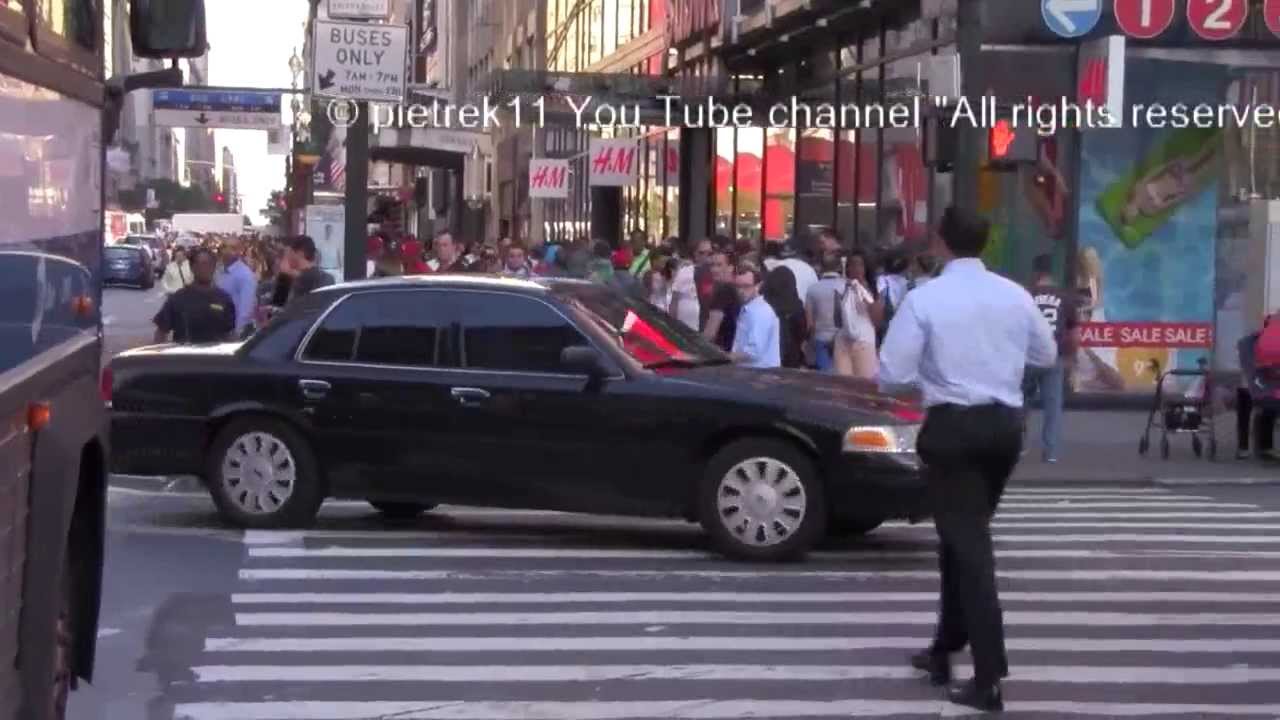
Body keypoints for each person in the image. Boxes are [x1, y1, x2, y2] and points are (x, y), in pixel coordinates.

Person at [879, 206, 1057, 712]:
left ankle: (987, 676)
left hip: (953, 428)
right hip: (1003, 429)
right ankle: (942, 650)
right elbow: (1045, 357)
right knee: (960, 538)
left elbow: (891, 372)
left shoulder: (926, 298)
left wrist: (936, 376)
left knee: (969, 546)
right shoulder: (1014, 294)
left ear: (940, 242)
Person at [1025, 254, 1079, 464]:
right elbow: (1074, 334)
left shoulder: (1027, 295)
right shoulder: (1065, 297)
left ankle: (1018, 446)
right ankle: (1051, 452)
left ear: (1036, 273)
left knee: (1020, 403)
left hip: (1028, 356)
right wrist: (1071, 357)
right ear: (1051, 272)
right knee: (1053, 407)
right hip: (1053, 356)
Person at [153, 247, 236, 344]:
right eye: (200, 264)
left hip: (214, 357)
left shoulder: (224, 299)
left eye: (208, 264)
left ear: (214, 267)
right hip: (184, 356)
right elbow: (161, 332)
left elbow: (229, 334)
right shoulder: (178, 298)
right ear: (192, 267)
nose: (205, 268)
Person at [835, 249, 882, 379]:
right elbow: (837, 320)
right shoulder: (841, 287)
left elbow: (877, 321)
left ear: (866, 267)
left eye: (860, 264)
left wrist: (864, 292)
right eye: (852, 264)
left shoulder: (873, 290)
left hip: (864, 342)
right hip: (843, 341)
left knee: (863, 386)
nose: (855, 269)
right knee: (843, 386)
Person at [730, 263, 781, 369]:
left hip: (759, 375)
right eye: (737, 286)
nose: (741, 291)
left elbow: (754, 351)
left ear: (758, 285)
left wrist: (727, 357)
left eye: (746, 286)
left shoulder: (760, 312)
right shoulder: (749, 308)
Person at [805, 251, 846, 372]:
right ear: (839, 267)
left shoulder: (812, 289)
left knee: (824, 377)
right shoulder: (846, 286)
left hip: (820, 337)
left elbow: (809, 322)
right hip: (842, 338)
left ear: (821, 267)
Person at [763, 265, 807, 369]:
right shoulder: (795, 305)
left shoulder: (764, 306)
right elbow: (801, 330)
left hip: (768, 356)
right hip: (791, 355)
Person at [215, 238, 258, 338]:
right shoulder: (218, 271)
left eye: (233, 248)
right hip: (218, 328)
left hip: (233, 332)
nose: (228, 251)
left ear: (239, 251)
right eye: (225, 247)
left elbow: (246, 309)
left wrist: (237, 333)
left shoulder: (245, 275)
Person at [700, 250, 740, 352]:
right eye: (712, 265)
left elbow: (710, 332)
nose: (714, 269)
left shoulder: (723, 291)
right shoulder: (734, 288)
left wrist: (695, 349)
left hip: (723, 353)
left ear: (731, 267)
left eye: (719, 265)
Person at [670, 238, 712, 331]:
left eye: (709, 253)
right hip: (684, 328)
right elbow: (674, 300)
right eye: (701, 253)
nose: (705, 256)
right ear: (695, 254)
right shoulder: (685, 271)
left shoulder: (715, 273)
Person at [285, 235, 335, 304]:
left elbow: (282, 308)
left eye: (290, 252)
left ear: (300, 253)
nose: (288, 257)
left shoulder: (296, 281)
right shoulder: (328, 278)